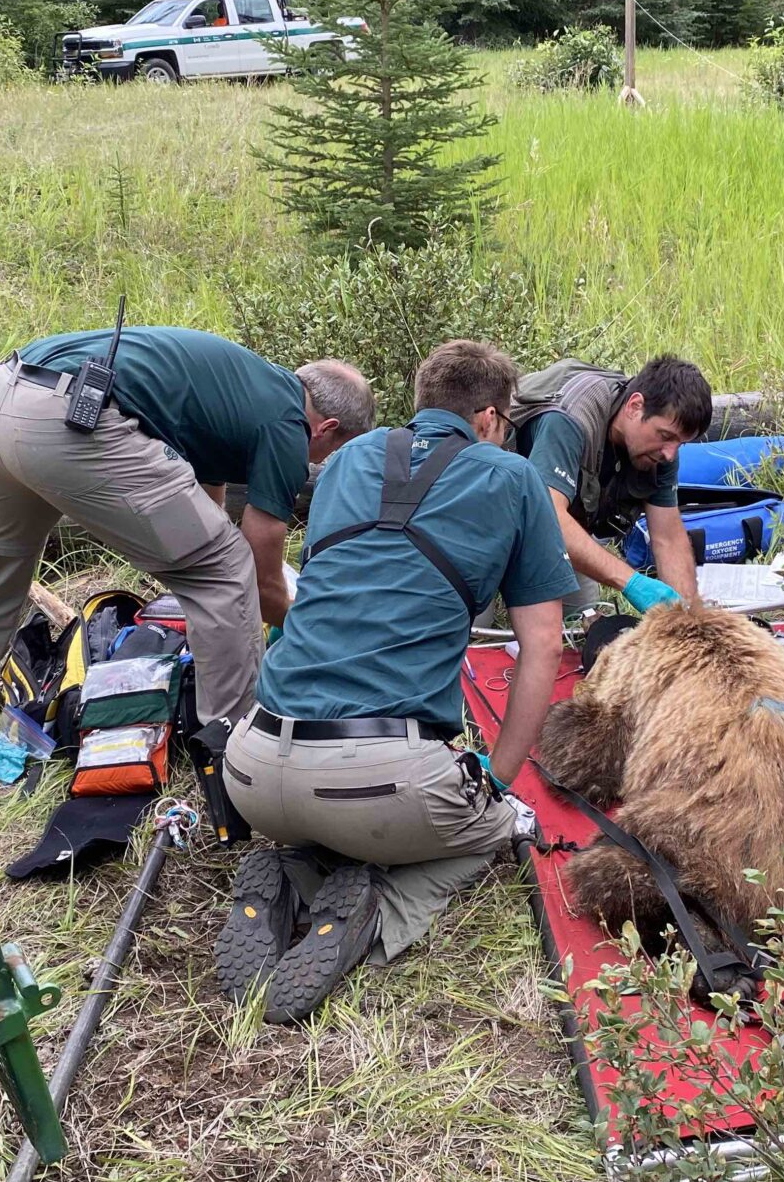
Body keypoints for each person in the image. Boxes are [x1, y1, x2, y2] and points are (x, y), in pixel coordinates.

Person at [214, 340, 577, 1022]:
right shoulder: (511, 476)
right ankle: (372, 912)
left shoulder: (346, 458)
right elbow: (543, 643)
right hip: (378, 777)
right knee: (496, 827)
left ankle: (290, 872)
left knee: (346, 810)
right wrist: (495, 781)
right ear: (492, 418)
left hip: (254, 768)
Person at [0, 326, 373, 753]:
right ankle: (234, 750)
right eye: (327, 455)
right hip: (68, 420)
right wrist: (312, 631)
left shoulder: (243, 386)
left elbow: (203, 497)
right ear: (327, 428)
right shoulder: (288, 424)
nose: (316, 463)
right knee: (225, 571)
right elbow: (257, 576)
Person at [506, 355, 711, 615]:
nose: (670, 454)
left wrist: (687, 614)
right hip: (493, 522)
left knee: (580, 616)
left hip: (555, 537)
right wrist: (631, 581)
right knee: (471, 630)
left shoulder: (662, 448)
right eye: (666, 436)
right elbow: (547, 517)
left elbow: (668, 537)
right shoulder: (570, 419)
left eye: (680, 443)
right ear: (635, 406)